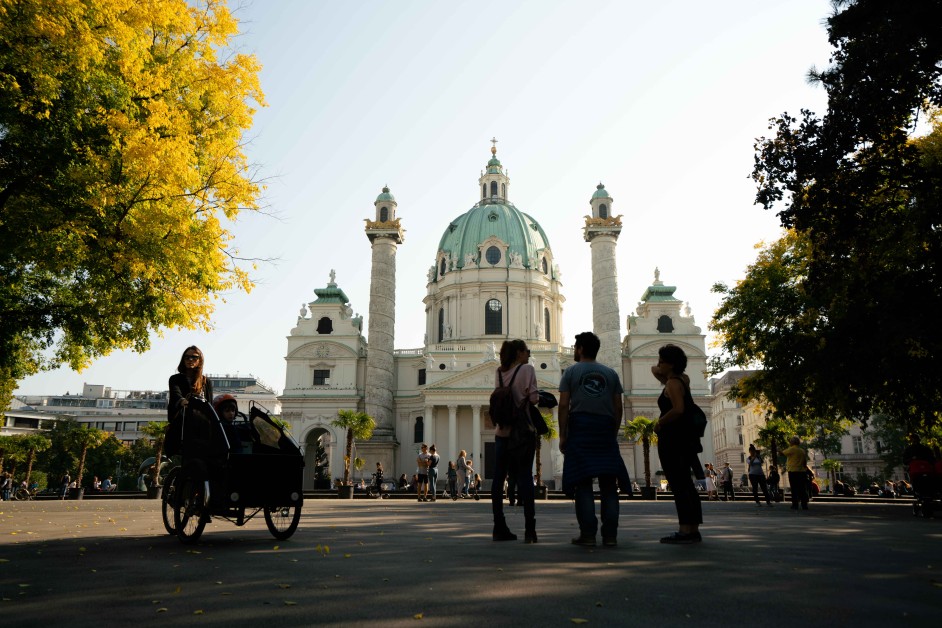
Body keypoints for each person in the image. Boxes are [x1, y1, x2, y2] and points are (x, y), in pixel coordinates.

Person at [559, 331, 631, 548]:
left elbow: (563, 405)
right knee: (609, 485)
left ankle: (588, 534)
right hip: (604, 428)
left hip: (580, 427)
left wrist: (563, 435)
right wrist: (613, 430)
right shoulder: (610, 374)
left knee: (583, 483)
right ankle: (610, 535)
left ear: (580, 349)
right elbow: (618, 407)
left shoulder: (571, 372)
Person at [652, 344, 703, 544]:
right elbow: (655, 370)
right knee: (686, 484)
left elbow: (678, 409)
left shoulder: (672, 384)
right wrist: (666, 368)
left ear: (671, 364)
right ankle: (693, 528)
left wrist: (660, 422)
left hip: (673, 438)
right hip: (685, 438)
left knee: (679, 484)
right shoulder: (683, 379)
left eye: (661, 361)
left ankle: (684, 530)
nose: (657, 365)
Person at [490, 339, 538, 543]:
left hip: (501, 433)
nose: (528, 354)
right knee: (526, 478)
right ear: (519, 353)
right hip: (522, 434)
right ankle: (530, 530)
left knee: (498, 480)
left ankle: (499, 527)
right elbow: (534, 399)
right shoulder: (527, 370)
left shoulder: (499, 372)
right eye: (527, 351)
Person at [168, 346, 213, 422]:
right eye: (187, 357)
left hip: (201, 423)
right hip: (181, 421)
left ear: (200, 360)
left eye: (194, 357)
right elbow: (175, 394)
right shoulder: (175, 379)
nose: (190, 359)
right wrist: (183, 401)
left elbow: (210, 404)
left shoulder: (206, 381)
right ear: (183, 360)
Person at [781, 436, 809, 511]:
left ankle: (795, 505)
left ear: (793, 442)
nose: (789, 442)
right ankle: (804, 505)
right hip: (801, 471)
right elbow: (804, 462)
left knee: (794, 489)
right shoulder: (802, 451)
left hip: (793, 471)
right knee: (802, 489)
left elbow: (783, 453)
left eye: (790, 441)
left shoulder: (792, 449)